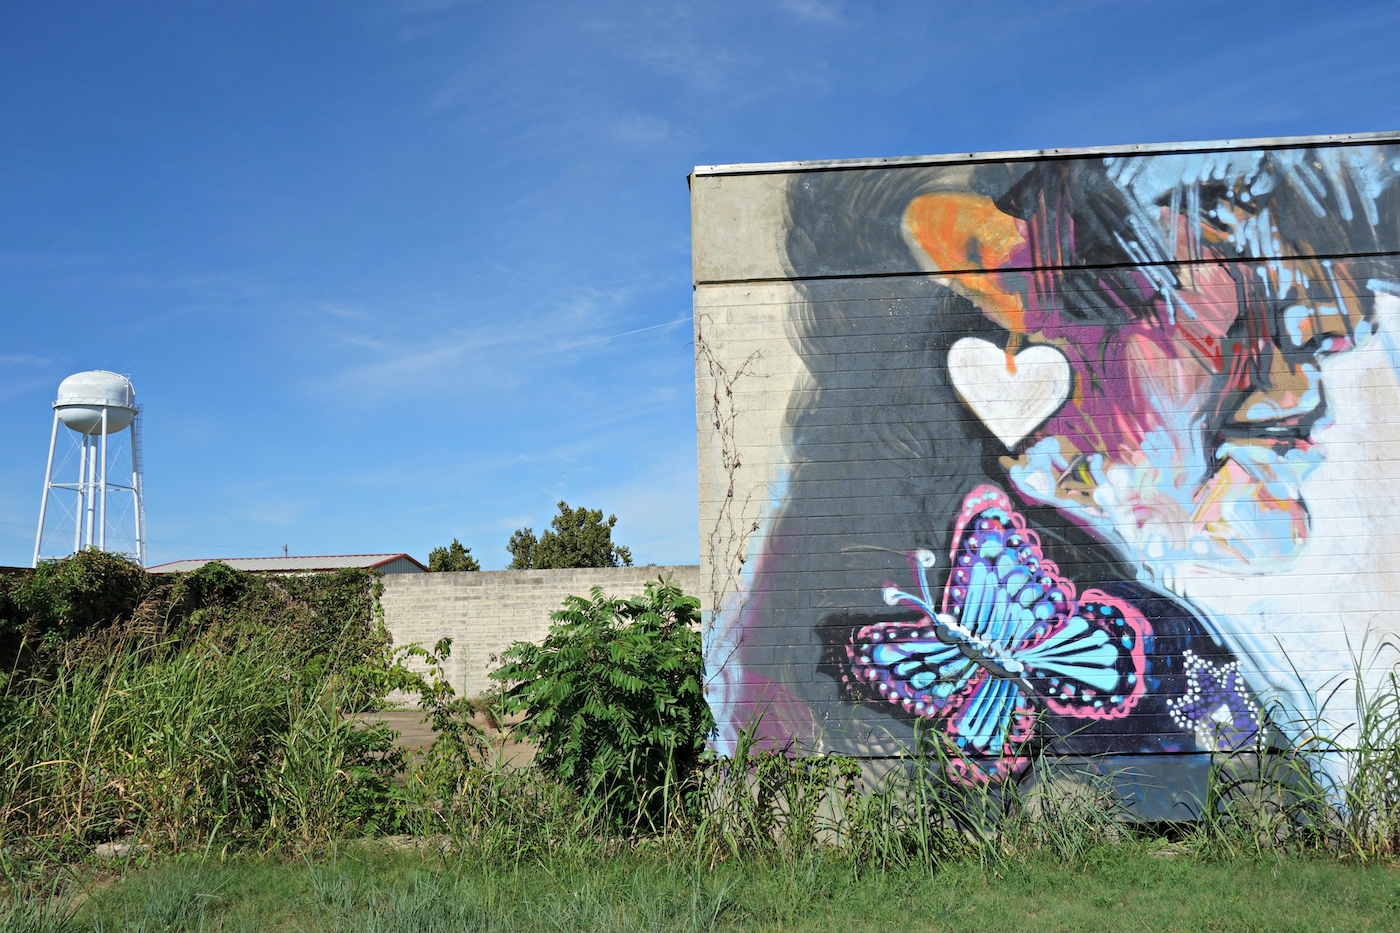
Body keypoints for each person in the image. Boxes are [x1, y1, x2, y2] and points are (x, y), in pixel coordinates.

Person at [705, 144, 1400, 805]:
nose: (1310, 364)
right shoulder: (1153, 655)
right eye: (1226, 228)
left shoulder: (833, 583)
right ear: (995, 264)